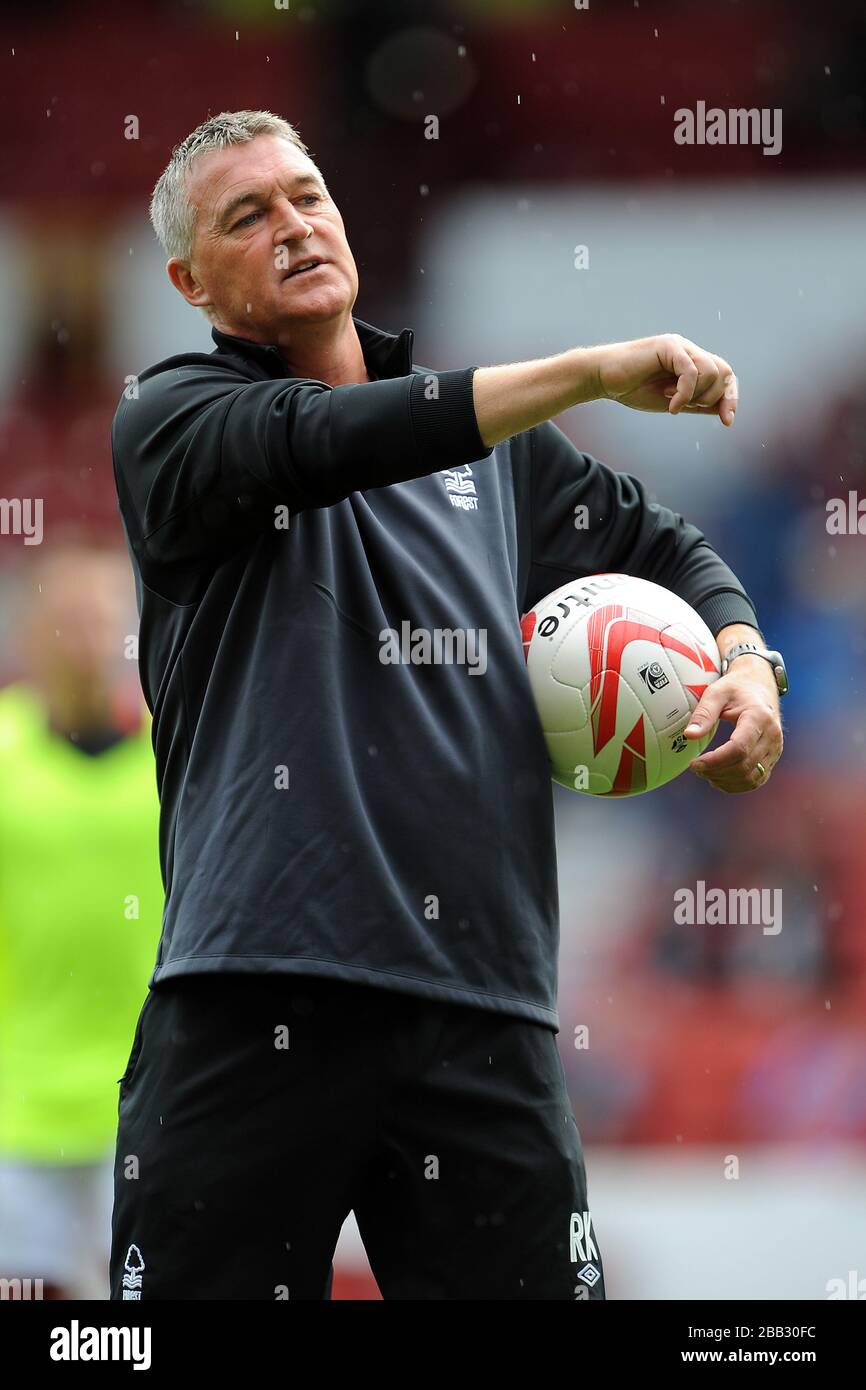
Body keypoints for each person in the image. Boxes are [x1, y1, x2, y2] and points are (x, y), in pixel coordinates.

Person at [108, 109, 783, 1301]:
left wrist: (740, 662)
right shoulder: (172, 422)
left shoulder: (502, 456)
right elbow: (327, 437)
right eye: (247, 215)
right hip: (251, 996)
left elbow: (663, 543)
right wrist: (588, 369)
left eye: (307, 196)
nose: (294, 226)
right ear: (188, 279)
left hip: (483, 1011)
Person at [0, 543, 163, 1299]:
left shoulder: (175, 755)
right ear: (32, 635)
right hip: (13, 1111)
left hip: (143, 1106)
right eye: (71, 621)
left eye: (105, 623)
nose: (91, 642)